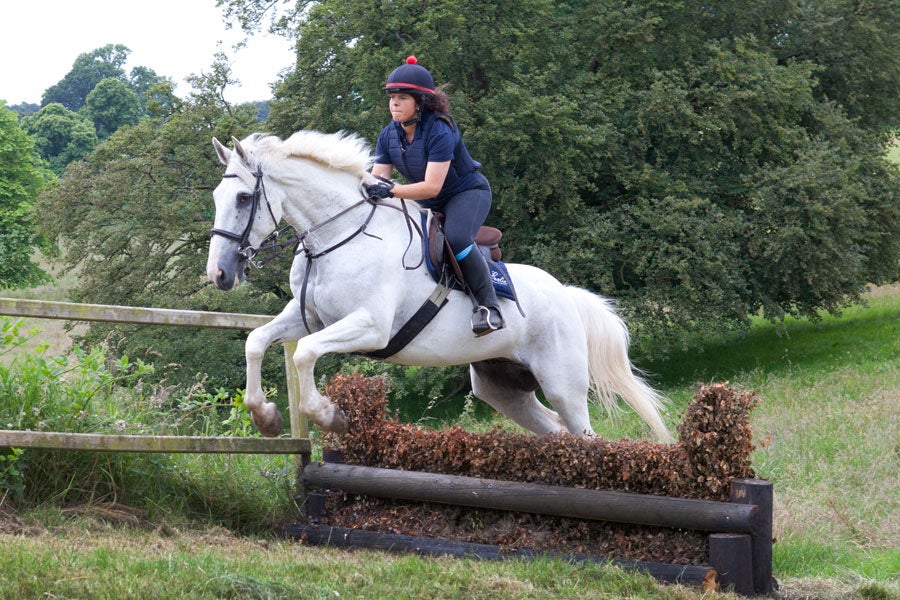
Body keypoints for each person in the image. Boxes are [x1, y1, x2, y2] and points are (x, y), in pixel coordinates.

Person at [365, 56, 504, 337]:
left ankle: (488, 308)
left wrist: (391, 190)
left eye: (402, 98)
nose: (394, 103)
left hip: (466, 192)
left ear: (420, 103)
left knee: (456, 238)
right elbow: (379, 179)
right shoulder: (387, 135)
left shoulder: (441, 128)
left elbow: (431, 187)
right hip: (427, 199)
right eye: (392, 97)